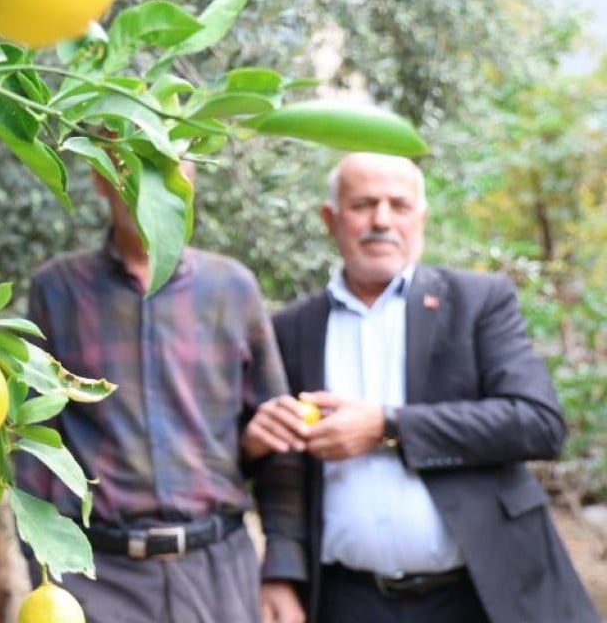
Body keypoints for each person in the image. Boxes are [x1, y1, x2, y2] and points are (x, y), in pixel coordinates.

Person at [247, 152, 598, 623]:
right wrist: (281, 573)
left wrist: (386, 426)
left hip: (482, 595)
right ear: (330, 218)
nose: (382, 220)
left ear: (422, 218)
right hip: (348, 600)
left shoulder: (477, 302)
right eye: (364, 204)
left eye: (399, 204)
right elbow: (282, 470)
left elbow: (538, 423)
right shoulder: (291, 328)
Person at [14, 160, 306, 623]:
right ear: (98, 176)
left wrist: (282, 572)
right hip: (101, 578)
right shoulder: (59, 290)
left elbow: (280, 440)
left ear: (189, 181)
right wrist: (45, 574)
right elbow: (32, 444)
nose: (147, 182)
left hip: (221, 573)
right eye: (129, 163)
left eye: (166, 167)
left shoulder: (233, 289)